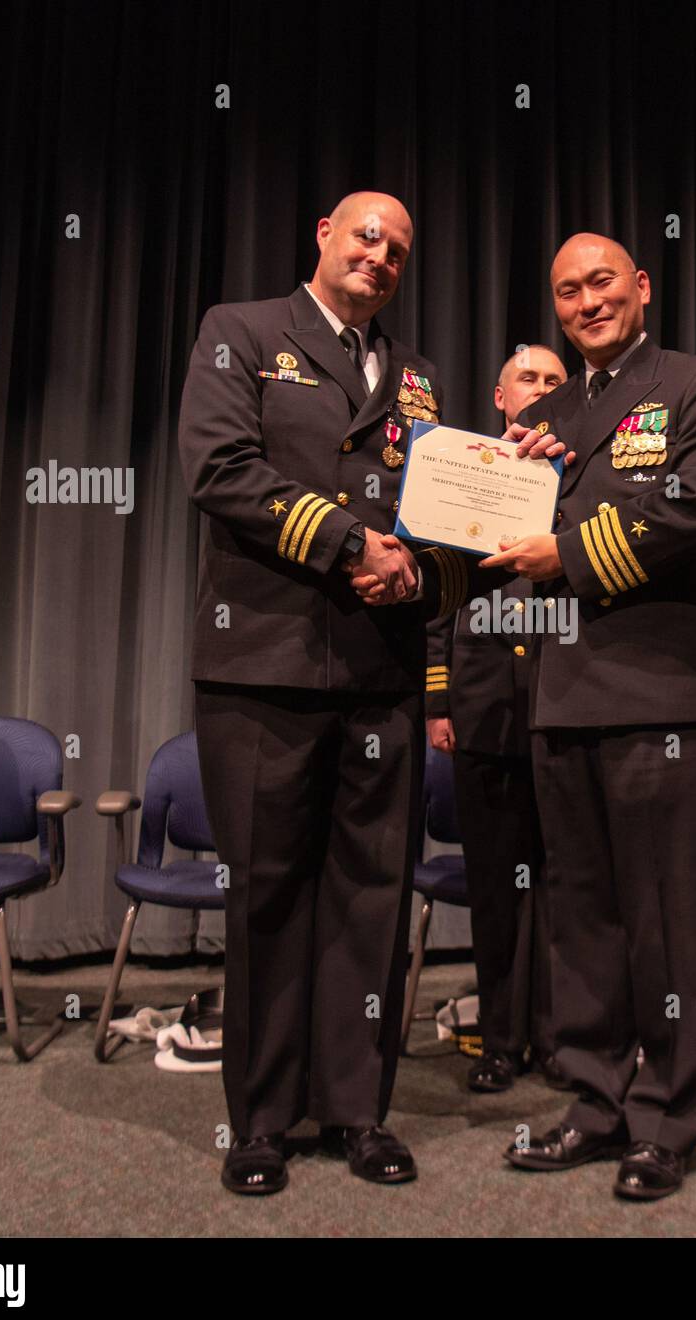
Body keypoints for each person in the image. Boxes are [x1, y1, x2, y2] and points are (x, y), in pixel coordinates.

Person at [179, 191, 450, 1195]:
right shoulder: (242, 333)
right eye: (365, 236)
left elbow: (434, 507)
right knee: (268, 892)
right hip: (265, 664)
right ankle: (260, 1118)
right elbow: (218, 467)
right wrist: (347, 544)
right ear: (323, 236)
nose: (380, 255)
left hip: (380, 670)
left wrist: (417, 565)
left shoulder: (417, 375)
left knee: (372, 898)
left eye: (399, 248)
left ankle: (356, 1109)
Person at [481, 233, 696, 1201]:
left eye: (601, 283)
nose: (586, 302)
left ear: (639, 286)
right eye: (566, 292)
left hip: (658, 692)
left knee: (666, 918)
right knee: (583, 918)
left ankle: (667, 1120)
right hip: (560, 689)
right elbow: (502, 523)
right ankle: (594, 1103)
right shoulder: (544, 411)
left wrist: (566, 551)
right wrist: (503, 497)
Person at [425, 345, 568, 1093]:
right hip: (483, 710)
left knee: (564, 885)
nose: (542, 389)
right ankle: (501, 1042)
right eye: (529, 380)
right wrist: (439, 700)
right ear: (500, 397)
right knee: (497, 888)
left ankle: (559, 1038)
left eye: (554, 380)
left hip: (563, 706)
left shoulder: (584, 475)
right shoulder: (462, 472)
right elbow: (438, 597)